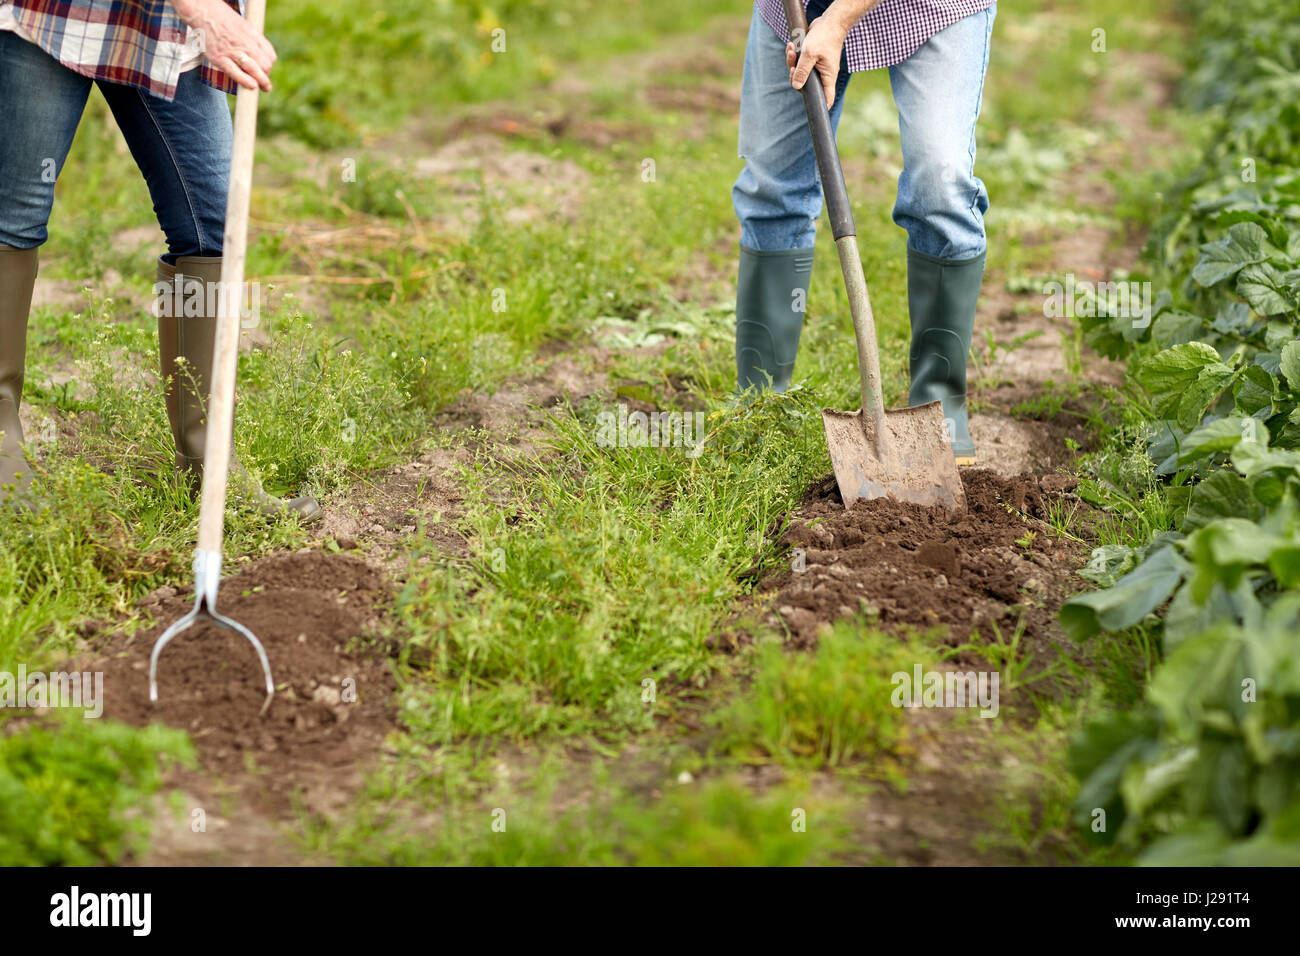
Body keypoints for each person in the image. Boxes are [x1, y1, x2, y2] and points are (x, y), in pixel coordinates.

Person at [0, 0, 320, 519]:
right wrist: (208, 12)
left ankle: (207, 462)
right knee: (14, 219)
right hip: (59, 15)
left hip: (162, 26)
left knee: (213, 225)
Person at [734, 0, 996, 464]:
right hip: (794, 9)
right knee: (773, 186)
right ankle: (759, 404)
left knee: (941, 186)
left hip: (932, 8)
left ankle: (939, 403)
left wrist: (836, 21)